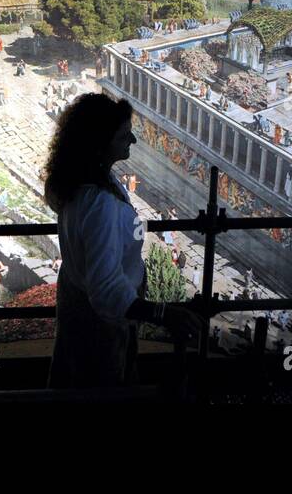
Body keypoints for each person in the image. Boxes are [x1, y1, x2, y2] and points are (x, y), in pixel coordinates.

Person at [45, 94, 202, 388]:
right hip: (99, 325)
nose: (132, 139)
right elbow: (105, 289)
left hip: (81, 309)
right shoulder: (98, 203)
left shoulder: (82, 182)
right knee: (102, 392)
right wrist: (163, 314)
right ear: (100, 143)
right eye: (122, 134)